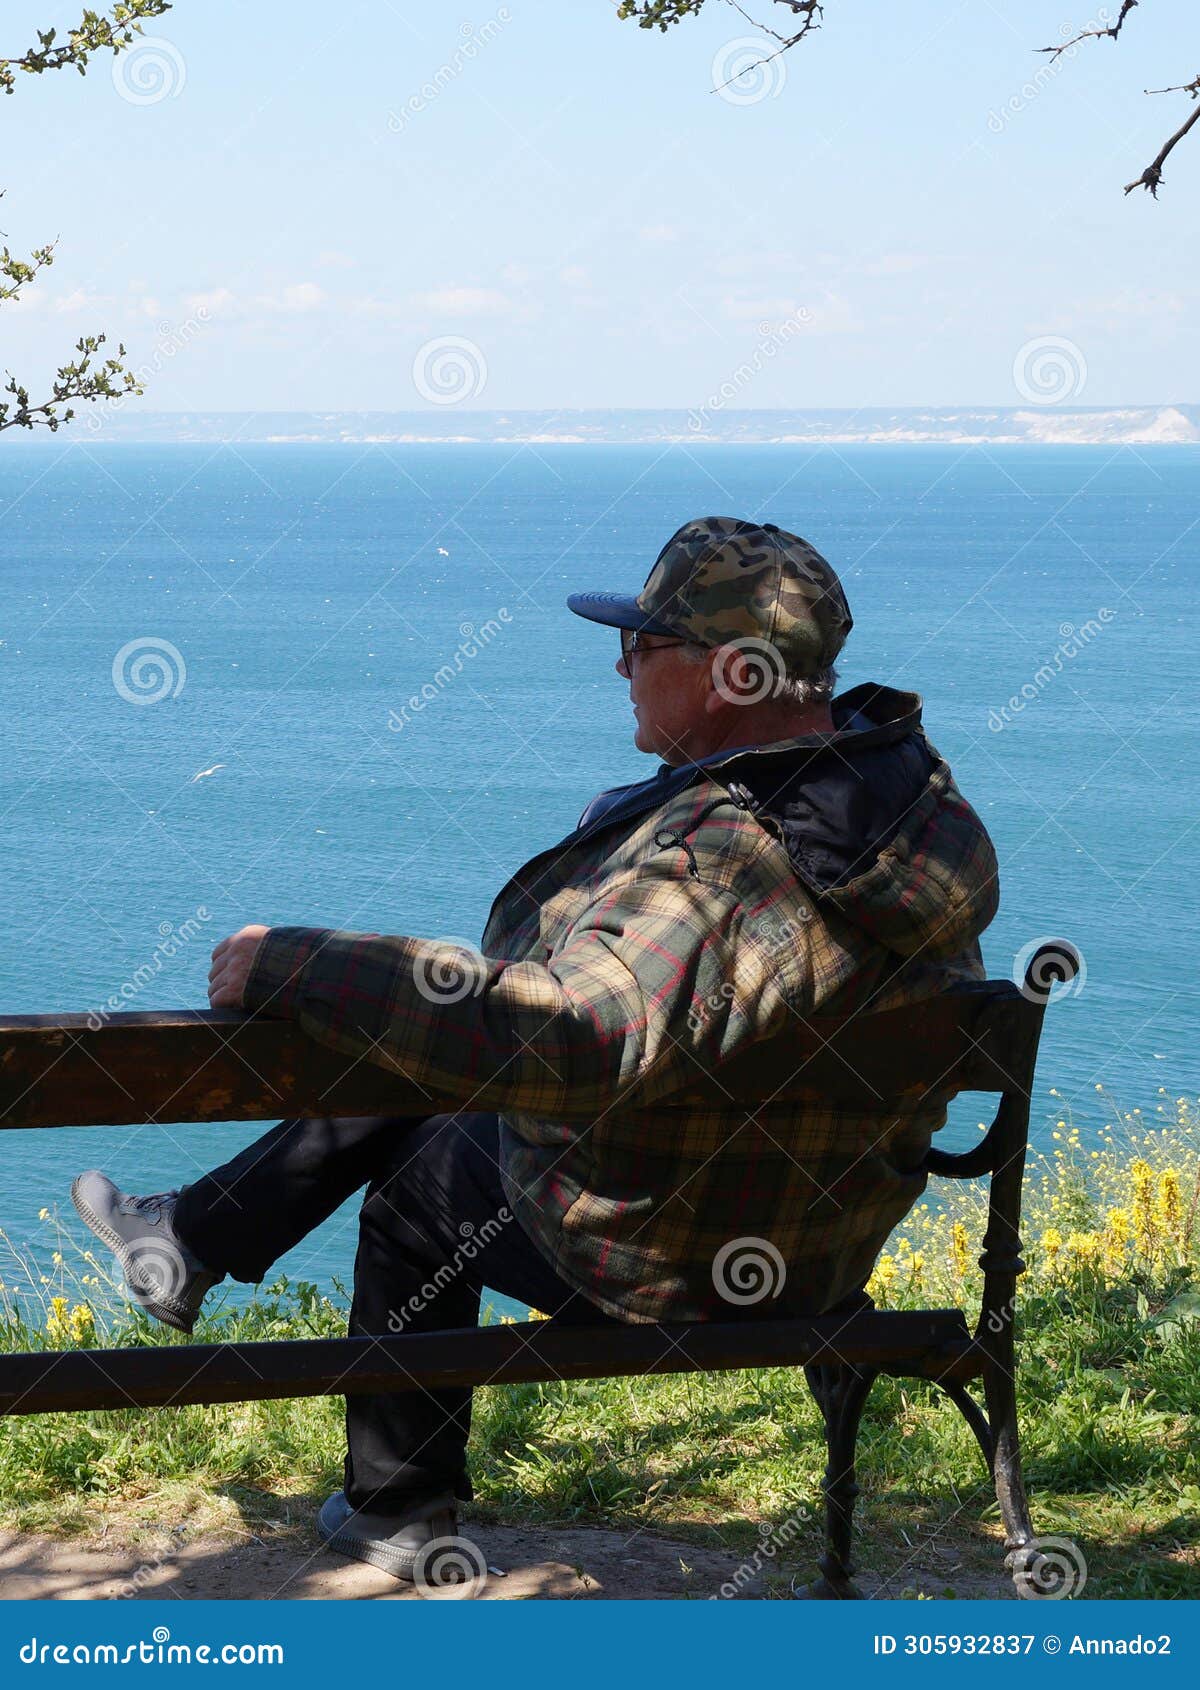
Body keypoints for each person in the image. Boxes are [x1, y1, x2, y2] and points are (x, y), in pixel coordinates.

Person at [71, 516, 999, 1585]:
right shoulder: (914, 815)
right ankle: (189, 1237)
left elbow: (576, 1032)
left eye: (644, 644)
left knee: (425, 1168)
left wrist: (299, 962)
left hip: (674, 1253)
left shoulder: (720, 859)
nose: (621, 663)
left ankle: (397, 1502)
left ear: (727, 672)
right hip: (826, 1238)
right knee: (451, 1048)